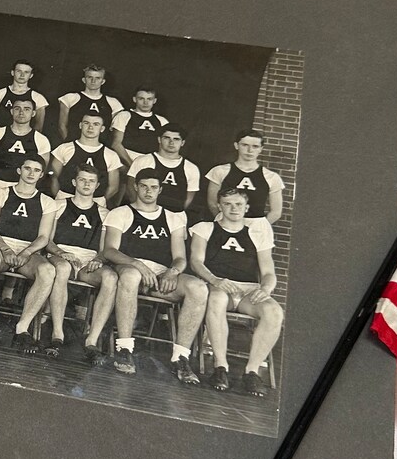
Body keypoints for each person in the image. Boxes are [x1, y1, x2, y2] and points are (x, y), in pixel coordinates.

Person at [101, 169, 208, 384]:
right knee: (131, 276)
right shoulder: (121, 213)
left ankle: (181, 357)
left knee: (198, 288)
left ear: (160, 190)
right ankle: (125, 348)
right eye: (144, 186)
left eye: (153, 187)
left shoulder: (173, 218)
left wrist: (172, 271)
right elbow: (109, 250)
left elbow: (180, 258)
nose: (148, 191)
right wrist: (136, 263)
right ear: (136, 187)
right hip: (129, 268)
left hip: (159, 274)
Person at [189, 188, 284, 396]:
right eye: (228, 204)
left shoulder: (257, 234)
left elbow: (268, 272)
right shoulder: (205, 228)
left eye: (239, 204)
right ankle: (220, 367)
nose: (234, 208)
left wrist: (266, 288)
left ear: (246, 208)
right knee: (216, 299)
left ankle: (252, 372)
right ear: (219, 206)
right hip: (219, 285)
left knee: (274, 312)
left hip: (248, 289)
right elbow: (196, 262)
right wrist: (215, 280)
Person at [0, 155, 58, 353]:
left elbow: (44, 237)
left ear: (41, 175)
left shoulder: (47, 202)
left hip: (27, 249)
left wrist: (27, 252)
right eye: (27, 168)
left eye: (36, 170)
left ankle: (22, 328)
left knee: (47, 270)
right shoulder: (1, 194)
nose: (31, 173)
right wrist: (5, 249)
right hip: (1, 244)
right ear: (19, 170)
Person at [43, 165, 118, 365]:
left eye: (91, 181)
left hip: (87, 261)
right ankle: (57, 334)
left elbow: (105, 249)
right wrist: (61, 253)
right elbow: (46, 241)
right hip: (61, 255)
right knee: (63, 268)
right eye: (83, 180)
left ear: (97, 186)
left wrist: (98, 260)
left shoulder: (103, 213)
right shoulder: (59, 205)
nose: (86, 184)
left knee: (110, 277)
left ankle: (91, 340)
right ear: (74, 182)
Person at [204, 130, 285, 223]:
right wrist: (227, 222)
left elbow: (276, 212)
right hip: (225, 224)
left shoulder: (272, 177)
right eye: (245, 145)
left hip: (255, 227)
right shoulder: (220, 171)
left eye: (255, 146)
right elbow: (212, 203)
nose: (250, 150)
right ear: (236, 145)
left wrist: (259, 226)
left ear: (261, 149)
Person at [49, 112, 122, 207]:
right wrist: (61, 198)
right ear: (80, 125)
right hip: (65, 199)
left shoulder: (111, 155)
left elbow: (113, 187)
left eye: (96, 124)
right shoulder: (64, 148)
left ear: (102, 128)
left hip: (95, 202)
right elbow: (53, 177)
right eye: (86, 123)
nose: (90, 127)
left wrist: (95, 203)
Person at [125, 124, 200, 211]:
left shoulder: (191, 168)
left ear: (182, 142)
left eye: (176, 139)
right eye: (166, 138)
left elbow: (188, 198)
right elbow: (130, 188)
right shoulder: (143, 161)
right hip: (143, 212)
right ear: (159, 139)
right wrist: (144, 211)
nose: (171, 142)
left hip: (174, 216)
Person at [0, 97, 52, 191]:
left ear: (33, 113)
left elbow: (42, 169)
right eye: (17, 108)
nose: (21, 112)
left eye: (26, 109)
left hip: (22, 188)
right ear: (11, 111)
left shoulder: (41, 140)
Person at [57, 65, 123, 143]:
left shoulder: (113, 103)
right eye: (89, 77)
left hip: (100, 148)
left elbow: (114, 132)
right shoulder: (70, 98)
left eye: (97, 78)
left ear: (103, 81)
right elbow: (62, 126)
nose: (93, 81)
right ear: (84, 80)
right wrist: (70, 145)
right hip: (73, 145)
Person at [111, 86, 169, 164]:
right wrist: (132, 165)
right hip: (127, 160)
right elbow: (116, 144)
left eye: (149, 99)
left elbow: (165, 147)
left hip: (151, 162)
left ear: (154, 101)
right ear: (134, 99)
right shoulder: (124, 116)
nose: (145, 103)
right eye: (141, 99)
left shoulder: (162, 121)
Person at [0, 61, 48, 133]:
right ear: (12, 72)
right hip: (1, 135)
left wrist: (26, 137)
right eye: (19, 71)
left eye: (26, 72)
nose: (22, 75)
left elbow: (39, 126)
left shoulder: (38, 97)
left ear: (31, 75)